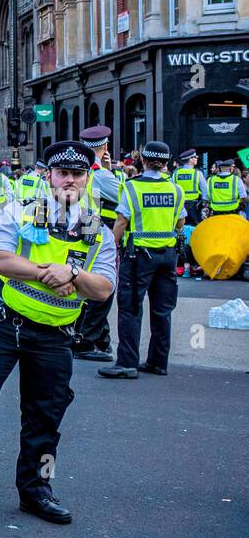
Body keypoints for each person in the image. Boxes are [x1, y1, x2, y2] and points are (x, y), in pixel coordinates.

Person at [0, 140, 117, 524]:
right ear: (50, 177)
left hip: (55, 336)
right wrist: (51, 271)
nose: (70, 182)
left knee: (45, 419)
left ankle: (36, 491)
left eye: (78, 174)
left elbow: (104, 288)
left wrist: (73, 274)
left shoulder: (99, 232)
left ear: (87, 178)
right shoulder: (22, 212)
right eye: (63, 174)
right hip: (4, 323)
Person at [100, 141, 184, 380]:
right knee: (162, 311)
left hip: (138, 257)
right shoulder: (176, 189)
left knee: (130, 309)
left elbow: (121, 221)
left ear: (142, 161)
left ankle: (127, 363)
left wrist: (111, 249)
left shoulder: (132, 187)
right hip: (168, 257)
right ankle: (158, 362)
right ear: (166, 163)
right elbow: (180, 223)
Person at [71, 126, 121, 363]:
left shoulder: (81, 169)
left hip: (78, 228)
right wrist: (112, 171)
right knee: (102, 290)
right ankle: (86, 340)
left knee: (86, 283)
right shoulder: (101, 174)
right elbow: (123, 197)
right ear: (105, 147)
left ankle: (101, 339)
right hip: (96, 230)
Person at [172, 148, 206, 229]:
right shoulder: (197, 173)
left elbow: (172, 188)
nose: (196, 159)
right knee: (196, 228)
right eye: (195, 157)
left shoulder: (176, 173)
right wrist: (205, 204)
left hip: (179, 205)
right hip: (193, 207)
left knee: (179, 228)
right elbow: (205, 191)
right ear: (190, 159)